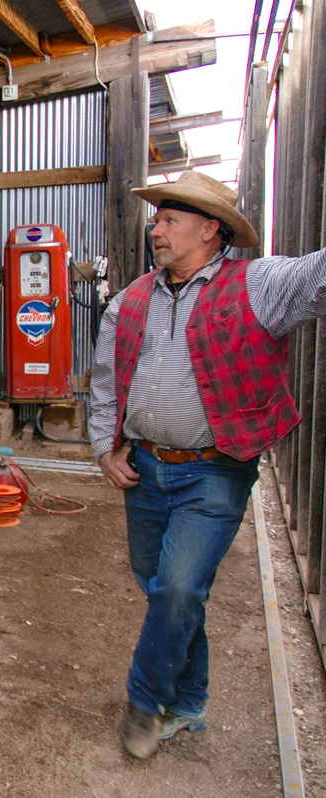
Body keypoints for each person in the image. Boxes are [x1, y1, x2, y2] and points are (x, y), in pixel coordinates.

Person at [89, 170, 326, 759]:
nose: (156, 230)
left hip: (216, 470)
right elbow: (106, 383)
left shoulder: (258, 286)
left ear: (210, 229)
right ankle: (190, 701)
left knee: (176, 587)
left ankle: (146, 702)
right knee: (167, 593)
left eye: (170, 220)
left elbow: (317, 276)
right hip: (145, 469)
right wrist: (104, 448)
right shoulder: (130, 300)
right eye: (156, 220)